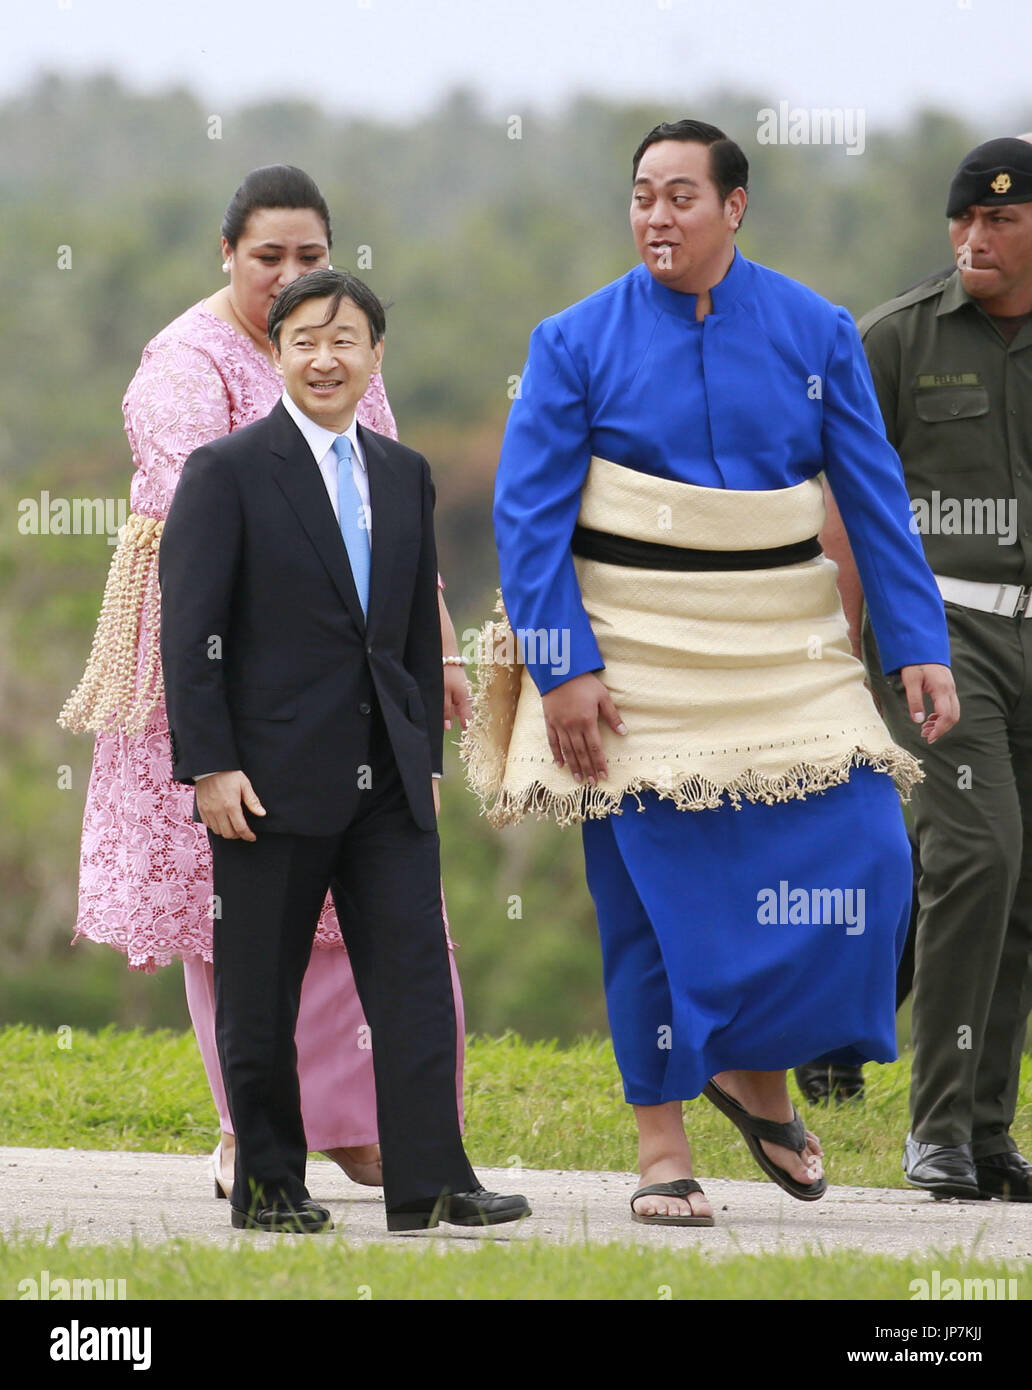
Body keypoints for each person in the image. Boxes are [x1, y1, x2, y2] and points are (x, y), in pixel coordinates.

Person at [468, 120, 957, 1225]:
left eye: (681, 196)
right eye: (643, 195)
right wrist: (562, 668)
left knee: (871, 856)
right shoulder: (572, 339)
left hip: (782, 643)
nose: (657, 215)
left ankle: (752, 1073)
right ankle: (661, 1152)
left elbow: (873, 497)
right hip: (627, 652)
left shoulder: (815, 330)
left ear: (734, 207)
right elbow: (528, 518)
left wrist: (919, 643)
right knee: (646, 904)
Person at [59, 166, 469, 1199]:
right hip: (229, 672)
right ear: (226, 256)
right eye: (267, 257)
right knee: (240, 918)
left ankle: (378, 1131)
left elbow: (392, 516)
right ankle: (258, 1139)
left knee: (376, 912)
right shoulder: (181, 366)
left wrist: (439, 649)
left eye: (311, 257)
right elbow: (223, 539)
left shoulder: (340, 346)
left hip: (354, 673)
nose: (290, 277)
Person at [159, 268, 529, 1232]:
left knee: (413, 985)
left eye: (346, 339)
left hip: (387, 784)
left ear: (375, 355)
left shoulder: (403, 475)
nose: (326, 358)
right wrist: (209, 766)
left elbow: (409, 638)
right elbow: (188, 632)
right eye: (304, 341)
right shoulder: (228, 471)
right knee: (260, 995)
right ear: (276, 354)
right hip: (266, 784)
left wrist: (423, 764)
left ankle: (432, 1181)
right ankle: (272, 1185)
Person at [854, 136, 1032, 1201]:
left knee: (1022, 879)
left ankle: (988, 1130)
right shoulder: (898, 341)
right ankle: (936, 1129)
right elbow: (840, 508)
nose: (975, 239)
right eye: (963, 220)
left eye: (1001, 221)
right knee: (977, 856)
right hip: (941, 634)